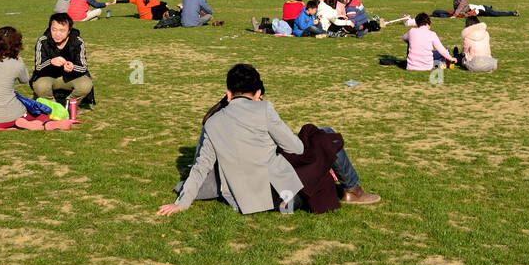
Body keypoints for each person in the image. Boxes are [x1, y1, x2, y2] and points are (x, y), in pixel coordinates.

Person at [158, 63, 380, 216]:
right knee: (324, 136)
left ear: (228, 93)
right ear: (257, 93)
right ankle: (353, 189)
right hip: (283, 195)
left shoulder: (212, 123)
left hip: (245, 201)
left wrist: (181, 203)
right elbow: (296, 148)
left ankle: (348, 188)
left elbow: (200, 166)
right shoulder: (263, 109)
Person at [0, 26, 39, 128]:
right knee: (40, 115)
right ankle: (29, 122)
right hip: (12, 116)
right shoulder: (16, 64)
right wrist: (19, 60)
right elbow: (25, 80)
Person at [31, 13, 94, 106]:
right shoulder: (43, 41)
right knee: (40, 86)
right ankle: (53, 107)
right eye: (54, 29)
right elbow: (38, 67)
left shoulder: (77, 41)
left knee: (86, 85)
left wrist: (72, 67)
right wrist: (50, 62)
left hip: (71, 77)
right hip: (49, 76)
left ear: (69, 31)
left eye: (62, 30)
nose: (57, 34)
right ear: (50, 28)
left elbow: (83, 67)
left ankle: (70, 105)